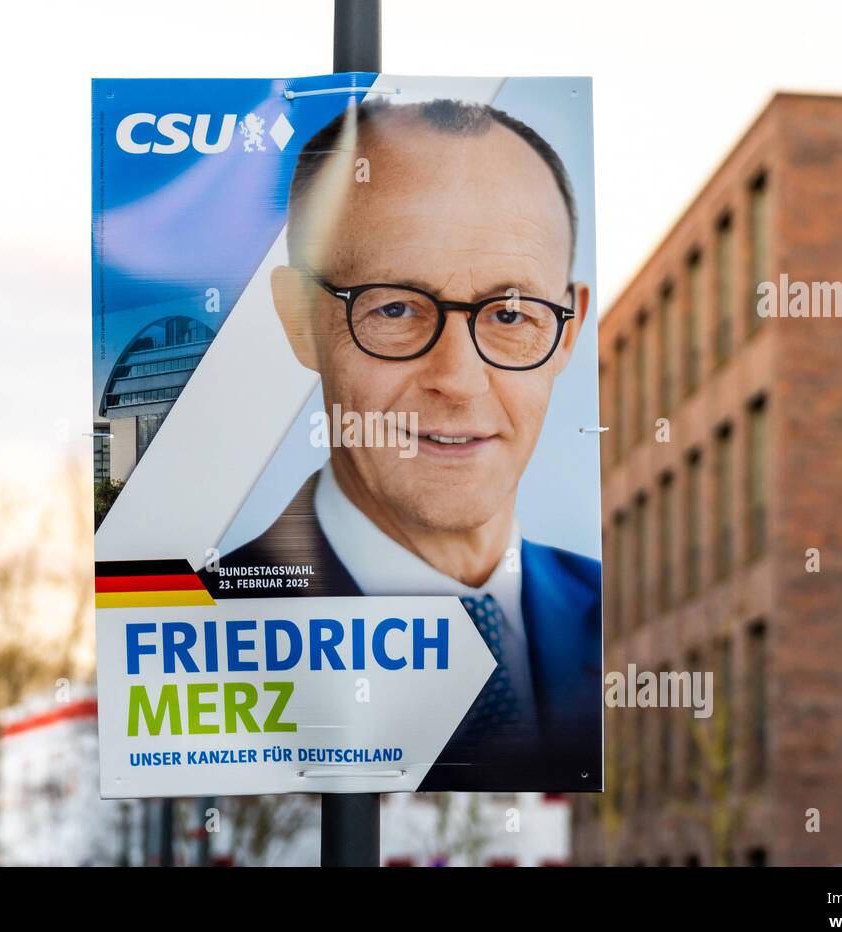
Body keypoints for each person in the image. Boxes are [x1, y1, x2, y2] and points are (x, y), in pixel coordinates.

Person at [206, 99, 601, 790]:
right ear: (300, 319)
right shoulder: (201, 629)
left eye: (510, 314)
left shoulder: (635, 629)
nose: (457, 379)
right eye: (394, 308)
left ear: (566, 333)